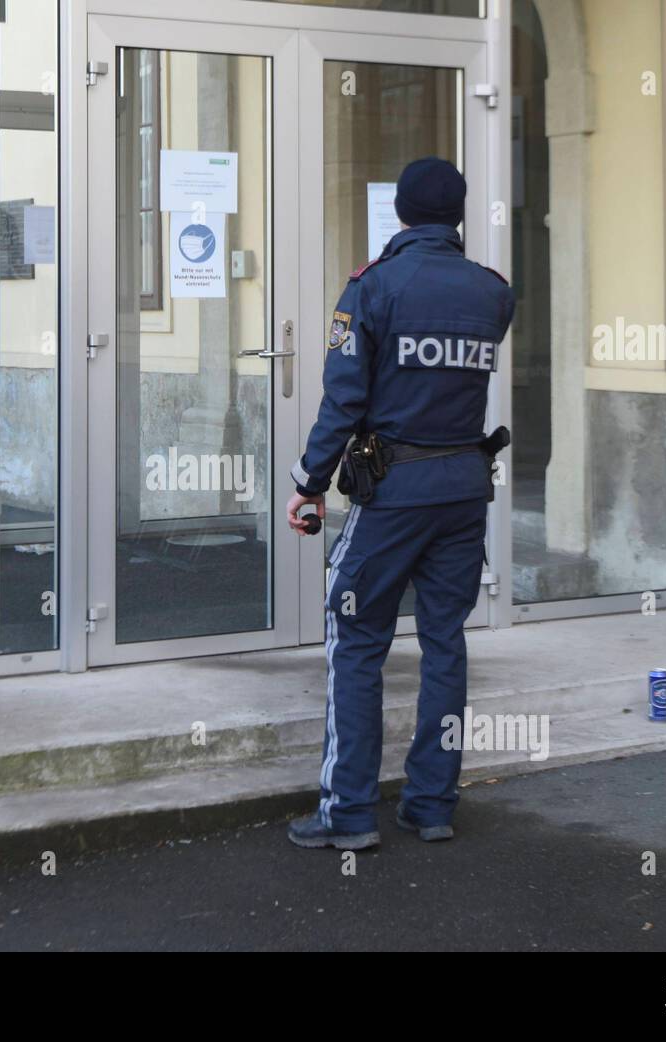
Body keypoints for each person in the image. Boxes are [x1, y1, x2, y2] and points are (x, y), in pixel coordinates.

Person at [285, 157, 516, 851]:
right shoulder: (491, 293)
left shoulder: (374, 287)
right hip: (464, 493)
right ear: (460, 217)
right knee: (446, 642)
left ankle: (348, 813)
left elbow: (345, 400)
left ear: (402, 213)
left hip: (392, 498)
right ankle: (432, 805)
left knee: (355, 639)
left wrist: (309, 483)